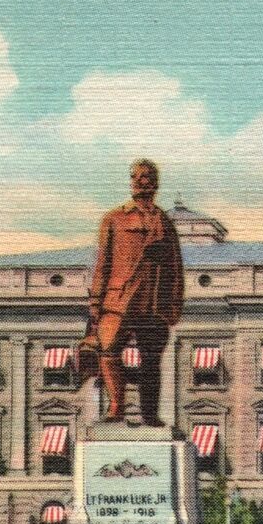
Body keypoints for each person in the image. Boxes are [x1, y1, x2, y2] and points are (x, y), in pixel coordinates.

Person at [87, 159, 183, 425]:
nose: (143, 181)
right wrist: (96, 300)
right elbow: (102, 263)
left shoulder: (164, 222)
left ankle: (149, 414)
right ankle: (116, 406)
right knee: (107, 350)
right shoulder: (114, 218)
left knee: (151, 359)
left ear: (156, 182)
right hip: (118, 299)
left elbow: (176, 267)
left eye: (149, 176)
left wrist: (174, 305)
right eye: (138, 176)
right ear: (131, 181)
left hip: (153, 302)